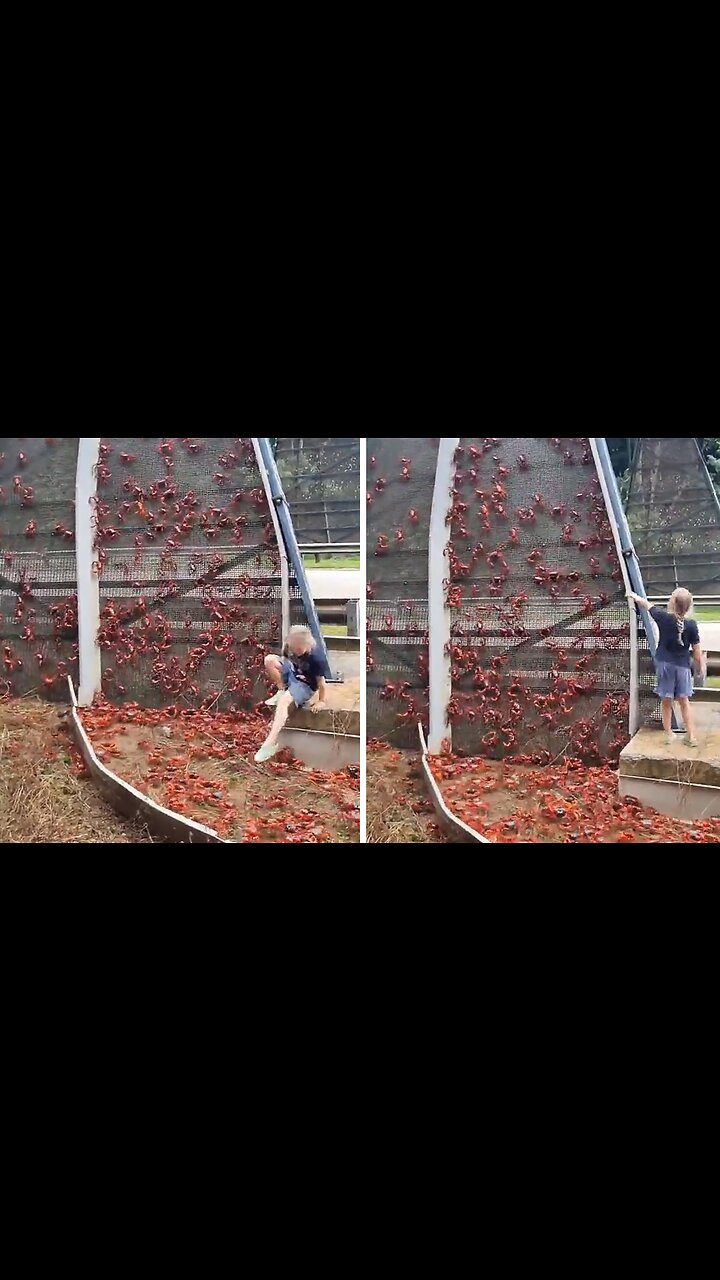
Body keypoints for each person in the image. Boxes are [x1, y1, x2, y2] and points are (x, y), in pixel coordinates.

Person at [627, 588, 706, 747]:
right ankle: (691, 736)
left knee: (666, 701)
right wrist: (701, 666)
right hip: (683, 667)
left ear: (672, 603)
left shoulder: (663, 618)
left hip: (664, 665)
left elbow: (648, 605)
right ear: (689, 606)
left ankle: (669, 733)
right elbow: (697, 651)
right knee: (684, 701)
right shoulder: (691, 625)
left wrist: (634, 596)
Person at [254, 625, 328, 763]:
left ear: (308, 644)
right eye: (293, 648)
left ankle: (270, 742)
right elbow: (287, 662)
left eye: (299, 649)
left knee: (283, 703)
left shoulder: (317, 659)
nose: (296, 651)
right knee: (269, 660)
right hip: (292, 674)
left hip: (305, 685)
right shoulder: (290, 648)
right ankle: (281, 690)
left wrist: (321, 701)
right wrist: (285, 678)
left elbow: (321, 683)